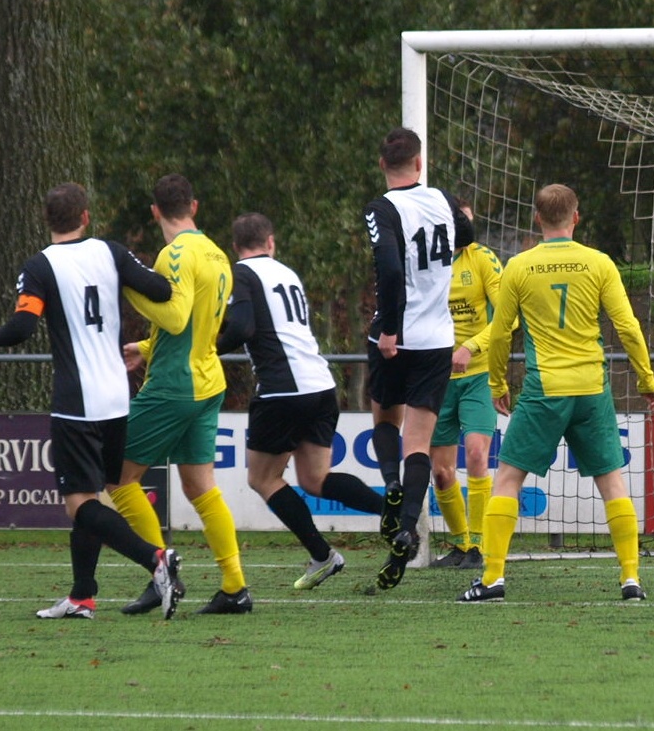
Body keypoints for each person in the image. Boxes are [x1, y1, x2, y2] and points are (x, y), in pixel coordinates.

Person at [0, 183, 185, 620]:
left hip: (77, 402)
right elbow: (161, 291)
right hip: (117, 397)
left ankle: (156, 560)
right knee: (94, 498)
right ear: (86, 217)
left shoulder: (40, 266)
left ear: (46, 221)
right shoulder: (111, 252)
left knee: (80, 504)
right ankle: (82, 595)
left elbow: (22, 327)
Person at [459, 183, 654, 602]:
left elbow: (500, 336)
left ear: (537, 218)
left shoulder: (519, 266)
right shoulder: (598, 263)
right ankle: (630, 580)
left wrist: (498, 384)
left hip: (543, 389)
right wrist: (647, 380)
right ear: (576, 217)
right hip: (591, 388)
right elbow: (627, 327)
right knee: (613, 483)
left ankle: (493, 578)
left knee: (508, 479)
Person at [216, 213, 385, 589]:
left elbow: (242, 328)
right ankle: (394, 510)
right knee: (314, 478)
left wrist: (207, 349)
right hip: (320, 385)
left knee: (262, 478)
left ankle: (323, 555)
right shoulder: (286, 273)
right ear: (271, 242)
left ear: (235, 247)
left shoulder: (242, 274)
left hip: (282, 390)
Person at [108, 173, 252, 615]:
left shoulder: (175, 253)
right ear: (195, 206)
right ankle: (234, 587)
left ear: (155, 212)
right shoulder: (217, 253)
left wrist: (127, 284)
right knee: (199, 484)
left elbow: (173, 316)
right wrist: (147, 347)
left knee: (117, 477)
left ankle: (160, 572)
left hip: (175, 385)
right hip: (208, 381)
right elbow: (198, 323)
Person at [363, 127, 474, 589]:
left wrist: (389, 329)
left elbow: (389, 266)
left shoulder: (382, 208)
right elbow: (467, 232)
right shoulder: (443, 200)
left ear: (382, 165)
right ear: (420, 163)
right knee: (420, 443)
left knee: (385, 422)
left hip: (397, 337)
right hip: (436, 341)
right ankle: (408, 528)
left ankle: (391, 485)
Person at [429, 198, 511, 570]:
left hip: (477, 374)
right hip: (436, 379)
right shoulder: (426, 260)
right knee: (441, 471)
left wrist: (471, 346)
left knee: (477, 454)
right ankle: (461, 544)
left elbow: (510, 318)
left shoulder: (482, 259)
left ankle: (479, 545)